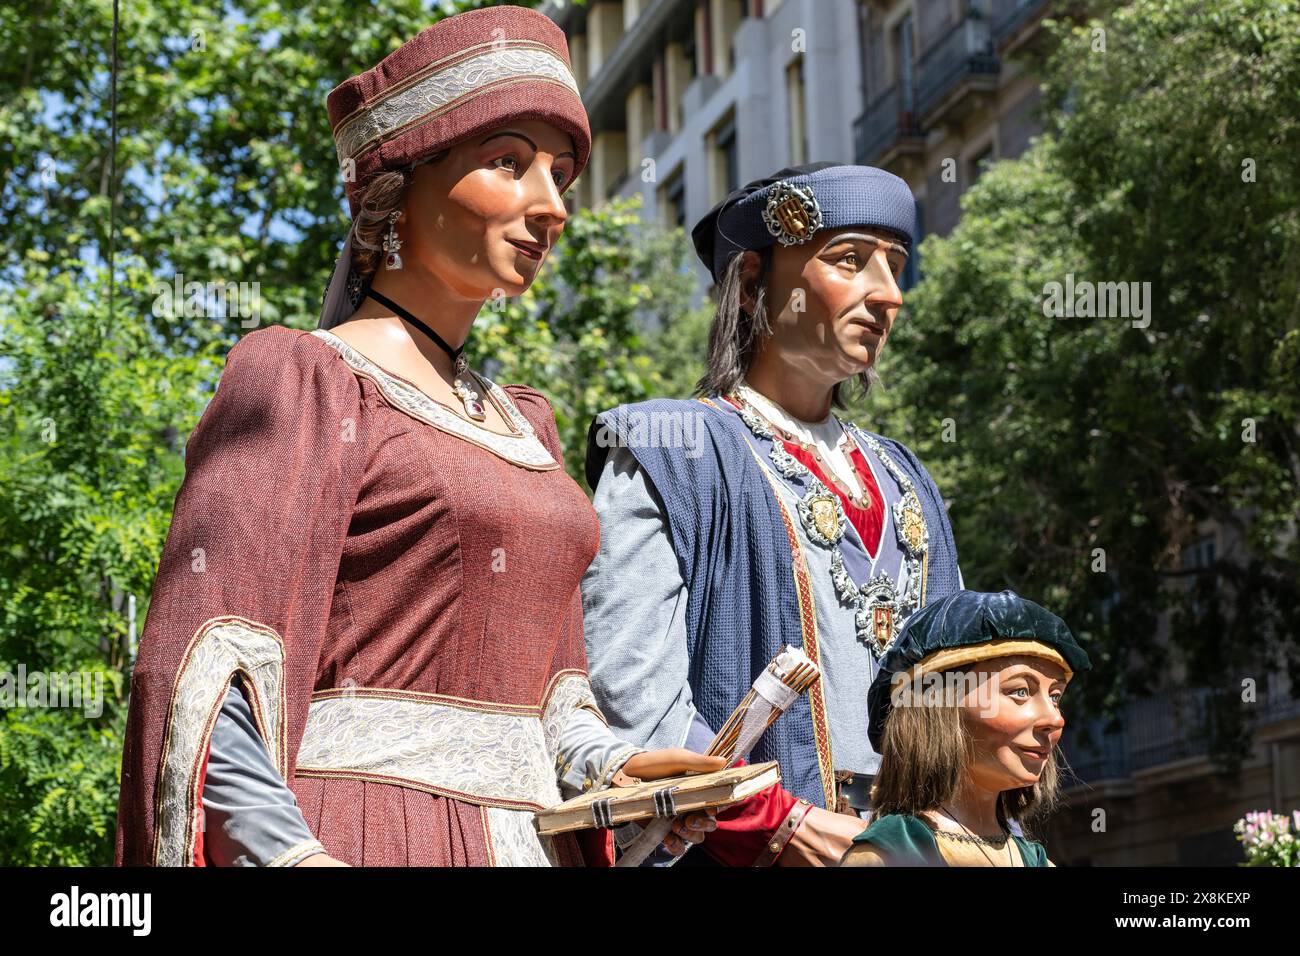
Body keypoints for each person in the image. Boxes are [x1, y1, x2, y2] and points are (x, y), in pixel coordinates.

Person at [114, 6, 720, 868]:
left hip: (535, 843)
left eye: (560, 175)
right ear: (400, 185)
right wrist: (290, 858)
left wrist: (614, 768)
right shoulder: (301, 380)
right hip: (366, 836)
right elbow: (212, 676)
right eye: (508, 163)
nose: (550, 207)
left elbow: (554, 688)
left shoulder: (527, 424)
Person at [581, 162, 964, 866]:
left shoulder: (908, 478)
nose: (889, 295)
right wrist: (774, 822)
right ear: (754, 282)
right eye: (850, 260)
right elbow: (636, 708)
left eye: (896, 264)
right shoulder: (666, 451)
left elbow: (960, 689)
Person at [840, 589, 1091, 866]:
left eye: (1055, 697)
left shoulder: (1035, 861)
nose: (1055, 720)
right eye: (1020, 691)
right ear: (937, 703)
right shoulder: (886, 856)